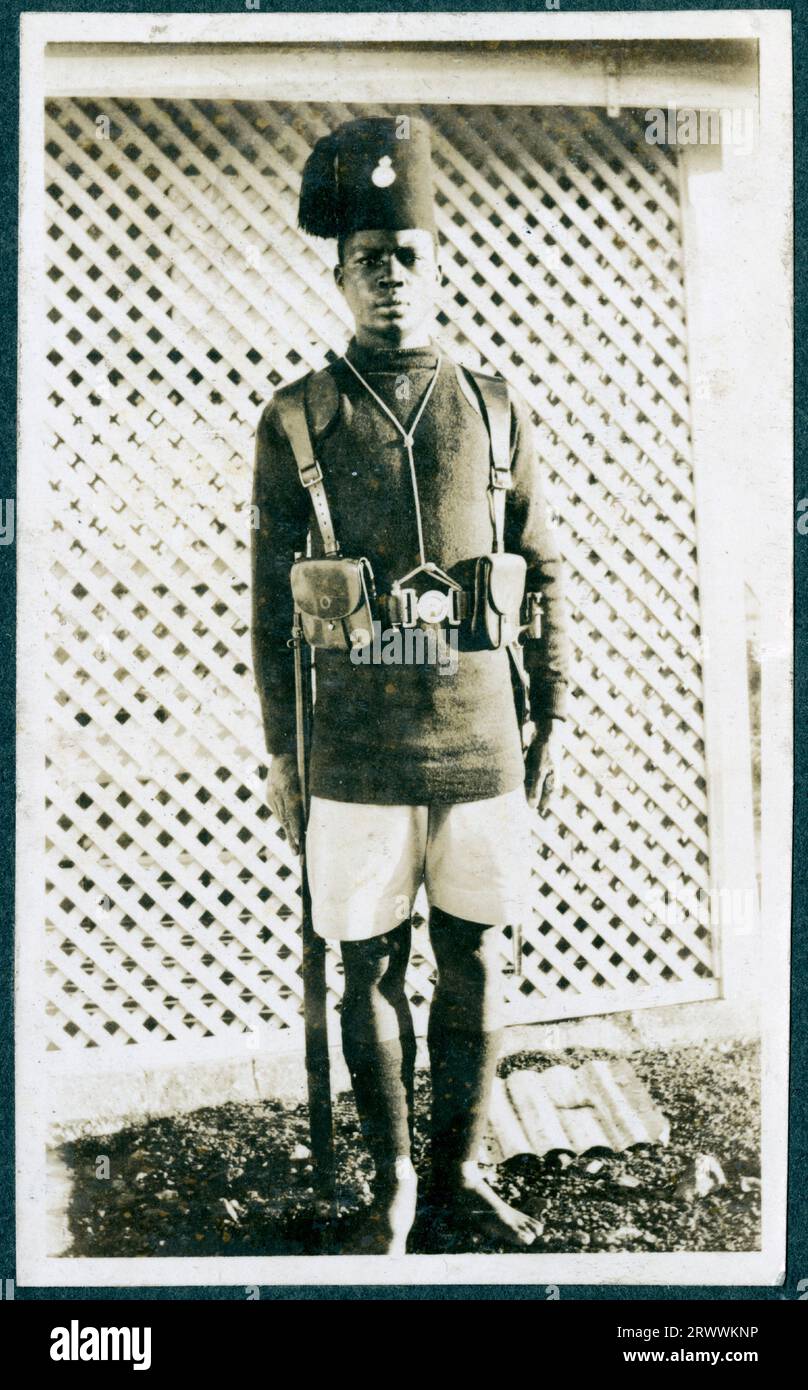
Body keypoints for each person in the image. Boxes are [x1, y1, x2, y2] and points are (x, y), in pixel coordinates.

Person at [252, 116, 570, 1255]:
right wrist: (285, 755)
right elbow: (265, 604)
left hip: (480, 732)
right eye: (367, 260)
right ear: (338, 277)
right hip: (354, 745)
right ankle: (392, 1181)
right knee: (364, 961)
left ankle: (455, 1173)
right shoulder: (297, 417)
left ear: (440, 263)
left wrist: (554, 714)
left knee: (476, 949)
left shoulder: (493, 404)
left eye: (409, 255)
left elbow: (543, 572)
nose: (391, 278)